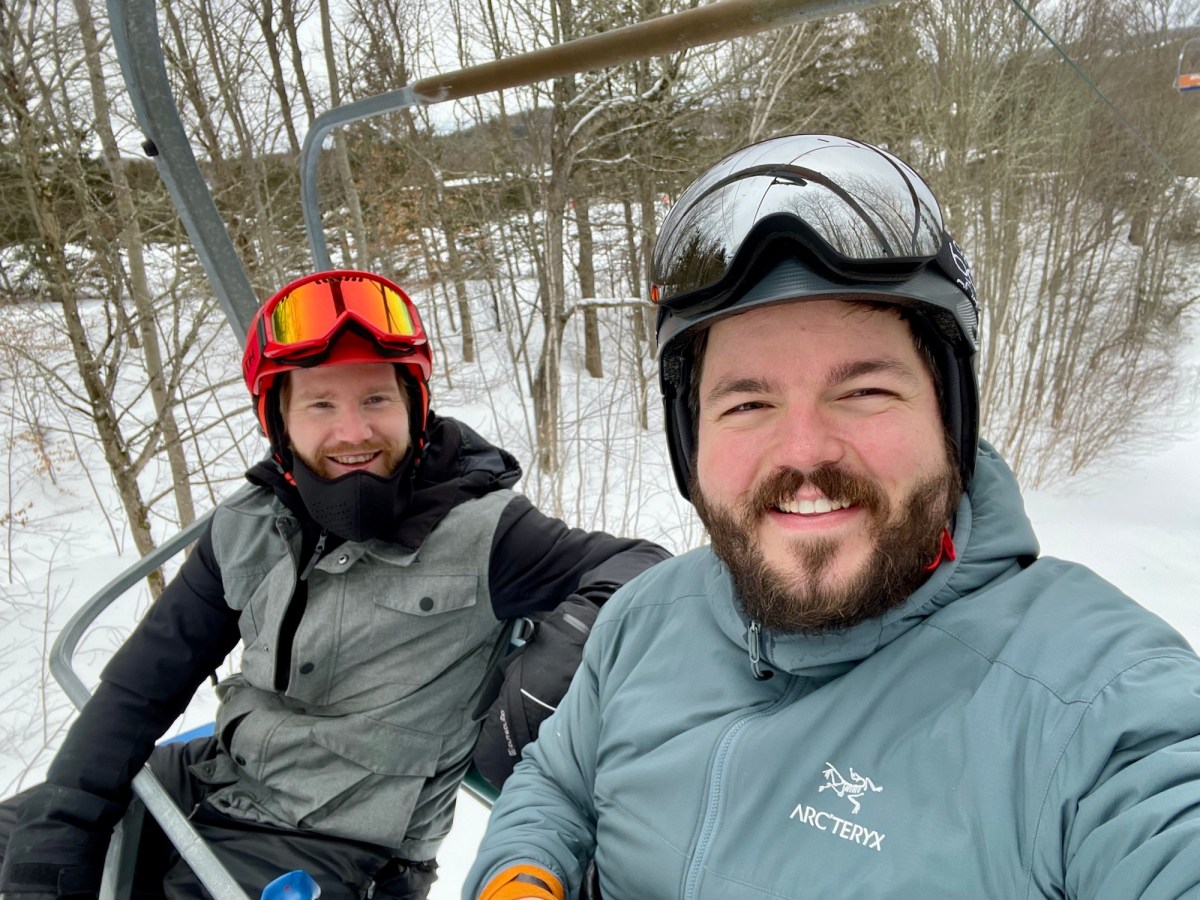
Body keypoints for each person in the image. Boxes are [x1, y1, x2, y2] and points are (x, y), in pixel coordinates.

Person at [463, 134, 1200, 900]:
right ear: (692, 444)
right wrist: (521, 875)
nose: (805, 452)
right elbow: (557, 783)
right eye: (748, 402)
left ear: (950, 419)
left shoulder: (1098, 707)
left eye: (864, 392)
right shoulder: (646, 618)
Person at [0, 270, 669, 900]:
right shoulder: (251, 525)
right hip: (211, 777)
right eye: (321, 403)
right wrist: (66, 822)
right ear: (280, 422)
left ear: (415, 408)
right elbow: (142, 686)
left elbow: (644, 567)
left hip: (340, 843)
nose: (354, 432)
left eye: (376, 398)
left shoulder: (485, 533)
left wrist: (562, 651)